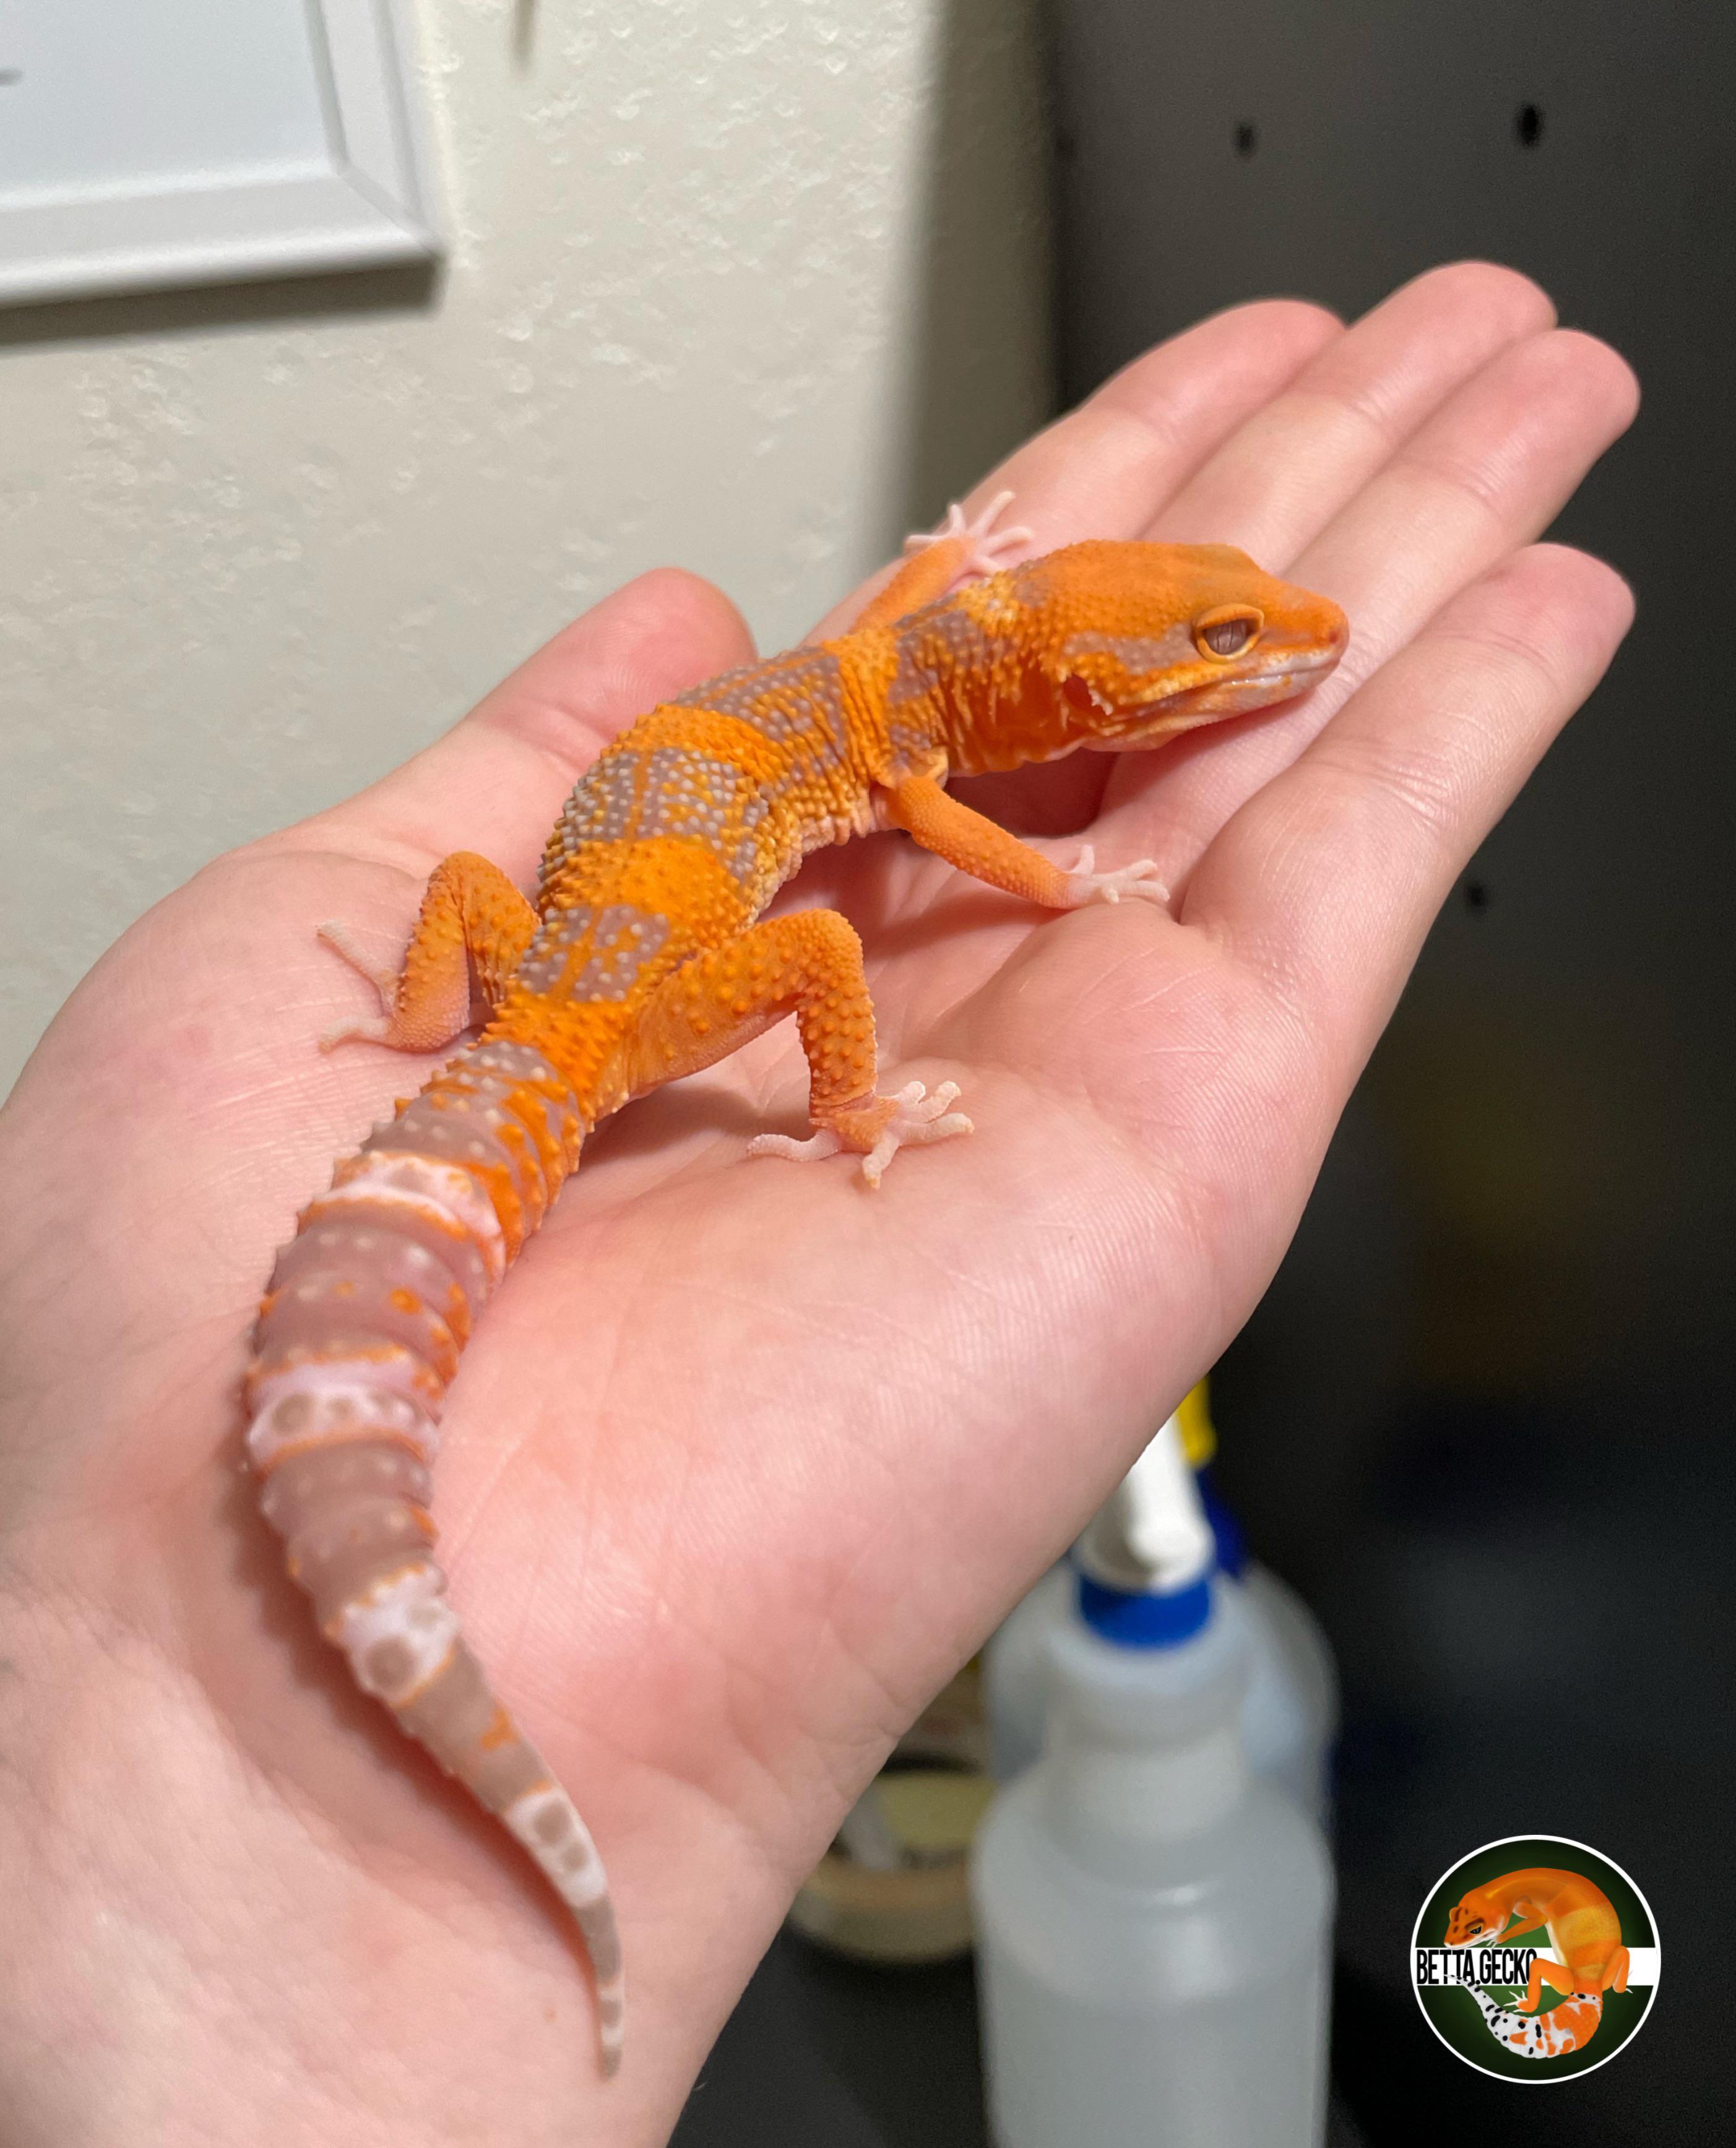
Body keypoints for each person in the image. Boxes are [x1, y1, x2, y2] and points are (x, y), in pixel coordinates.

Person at [0, 264, 1635, 2142]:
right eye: (1216, 641)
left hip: (529, 981)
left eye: (1232, 628)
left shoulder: (913, 670)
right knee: (818, 953)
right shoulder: (914, 725)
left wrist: (961, 572)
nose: (1272, 647)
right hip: (616, 1020)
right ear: (1061, 684)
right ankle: (841, 1105)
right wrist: (1026, 924)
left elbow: (932, 671)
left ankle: (421, 1035)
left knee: (513, 893)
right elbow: (931, 854)